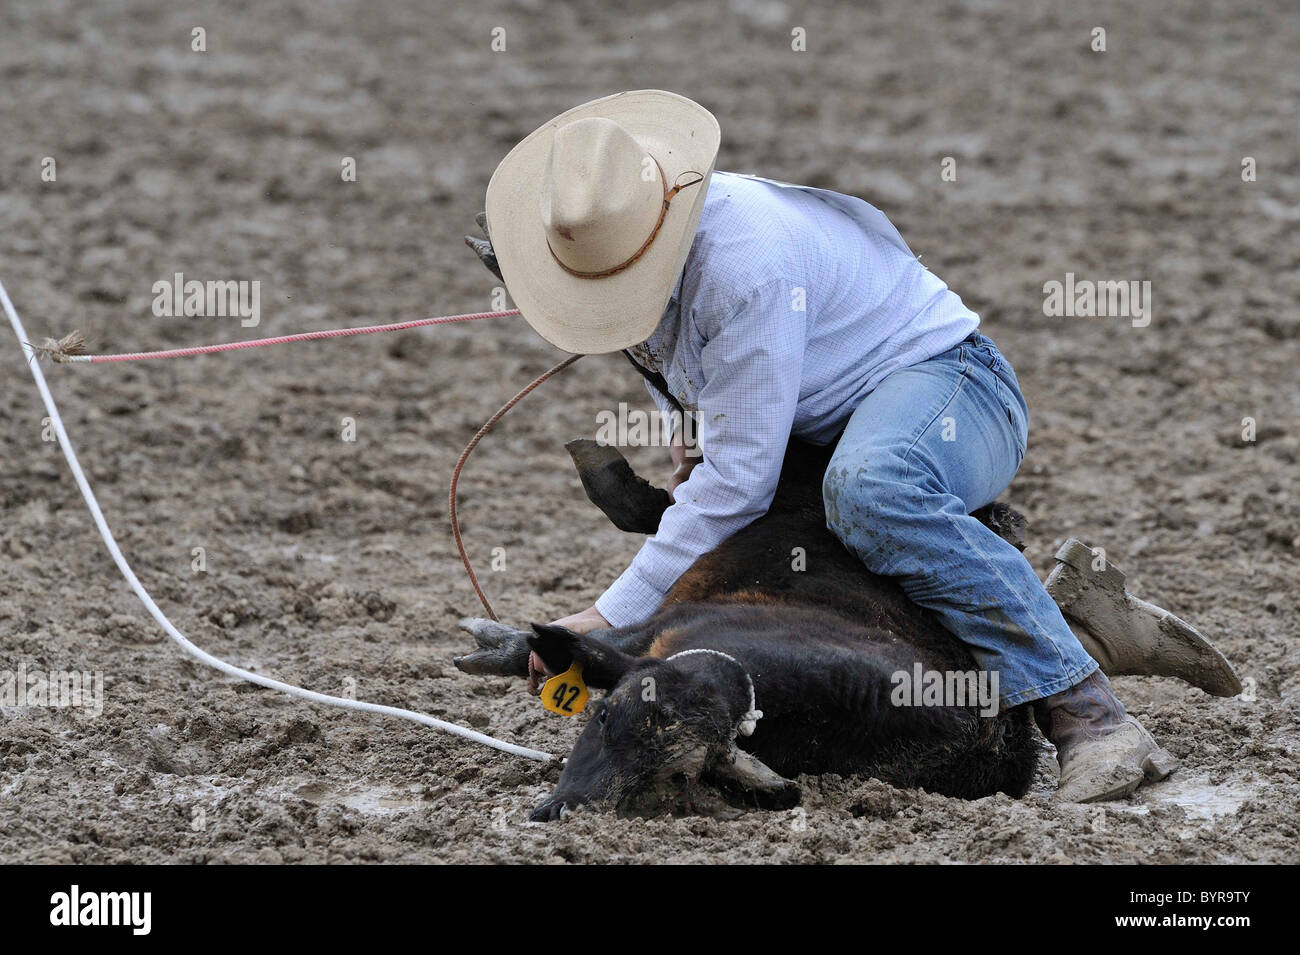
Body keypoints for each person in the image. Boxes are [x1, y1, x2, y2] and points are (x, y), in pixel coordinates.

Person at [469, 89, 1175, 802]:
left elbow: (739, 478)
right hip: (823, 430)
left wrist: (608, 616)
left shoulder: (748, 263)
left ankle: (1089, 712)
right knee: (784, 526)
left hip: (953, 387)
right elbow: (704, 408)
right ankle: (1054, 613)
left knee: (874, 490)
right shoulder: (649, 241)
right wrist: (690, 445)